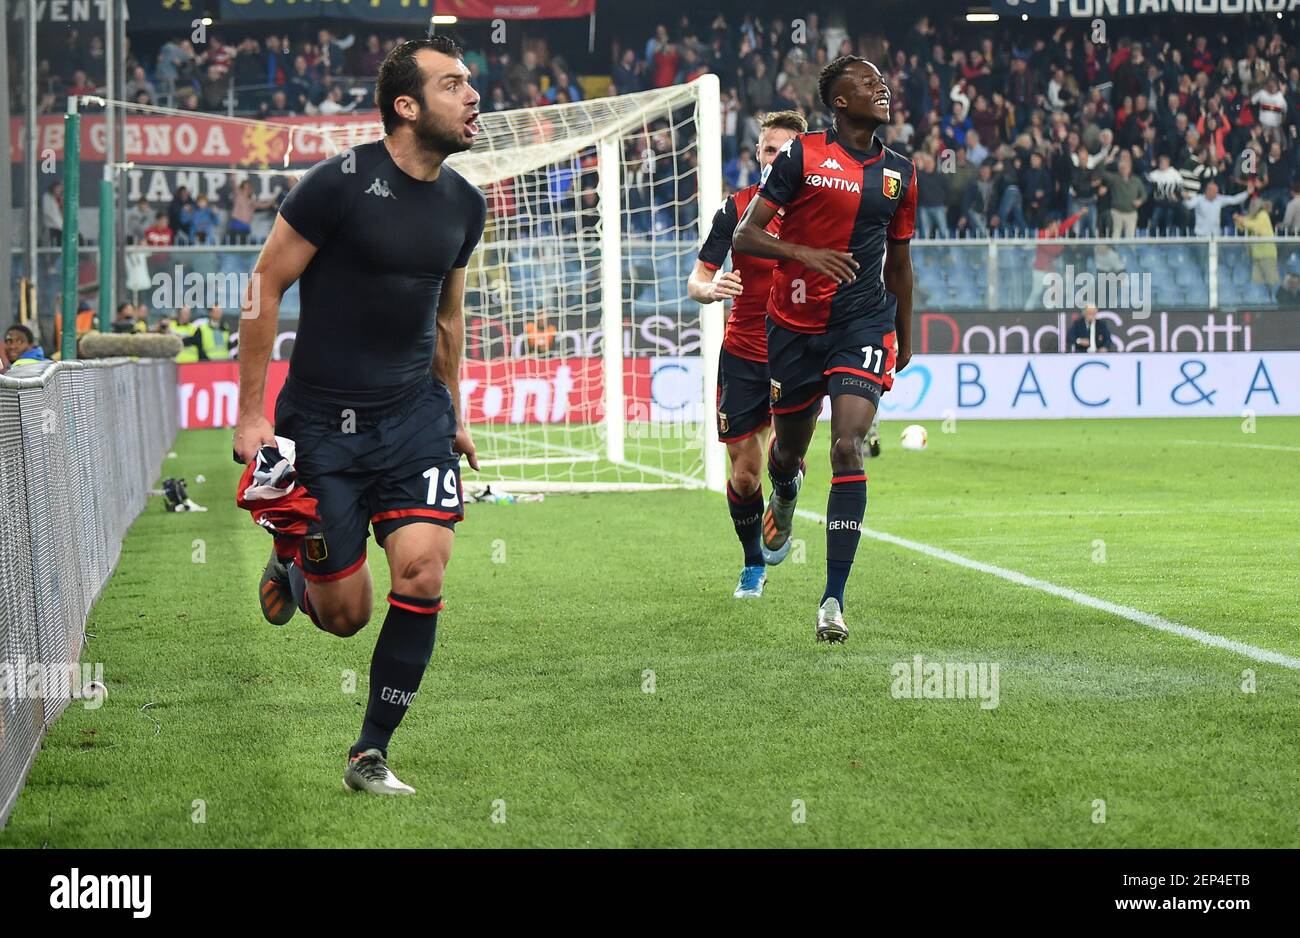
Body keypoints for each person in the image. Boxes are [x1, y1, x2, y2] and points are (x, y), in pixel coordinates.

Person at [233, 37, 486, 796]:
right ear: (406, 106)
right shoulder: (334, 185)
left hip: (413, 420)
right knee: (345, 616)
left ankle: (369, 751)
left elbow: (447, 319)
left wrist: (455, 413)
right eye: (453, 84)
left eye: (470, 82)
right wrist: (251, 416)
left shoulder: (465, 204)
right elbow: (264, 287)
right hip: (319, 425)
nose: (473, 95)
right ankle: (293, 559)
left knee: (424, 570)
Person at [732, 56, 916, 643]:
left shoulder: (900, 173)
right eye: (868, 83)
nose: (882, 89)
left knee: (847, 447)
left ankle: (832, 600)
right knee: (786, 453)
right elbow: (746, 234)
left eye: (882, 82)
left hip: (862, 324)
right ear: (839, 101)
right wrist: (804, 254)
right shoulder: (801, 155)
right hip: (794, 326)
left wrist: (905, 334)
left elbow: (900, 263)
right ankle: (785, 492)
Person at [686, 109, 806, 600]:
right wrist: (711, 288)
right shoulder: (735, 209)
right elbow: (697, 279)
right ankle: (753, 563)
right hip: (742, 353)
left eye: (786, 151)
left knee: (786, 456)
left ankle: (788, 491)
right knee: (743, 473)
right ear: (758, 153)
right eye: (769, 149)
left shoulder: (816, 213)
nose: (776, 158)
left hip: (795, 350)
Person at [1234, 198, 1279, 288]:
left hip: (1267, 255)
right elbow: (1241, 227)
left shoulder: (1263, 215)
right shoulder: (1252, 217)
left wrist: (1242, 220)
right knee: (1257, 283)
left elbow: (1256, 227)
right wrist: (1238, 220)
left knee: (1271, 281)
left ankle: (1273, 296)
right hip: (1256, 256)